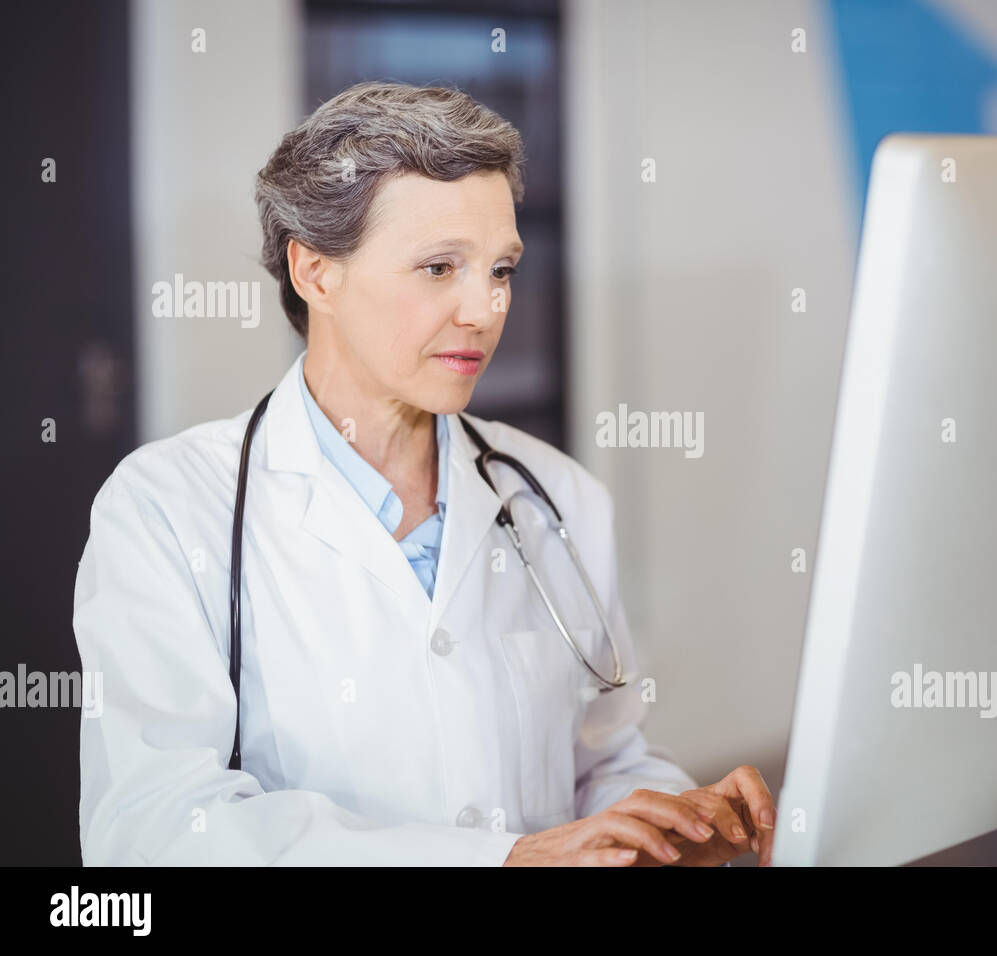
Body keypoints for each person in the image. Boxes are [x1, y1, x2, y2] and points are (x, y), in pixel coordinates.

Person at [73, 81, 774, 866]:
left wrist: (665, 825)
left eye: (500, 270)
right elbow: (155, 829)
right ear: (315, 273)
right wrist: (499, 860)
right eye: (440, 268)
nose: (485, 309)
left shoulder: (558, 496)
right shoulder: (168, 510)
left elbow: (601, 763)